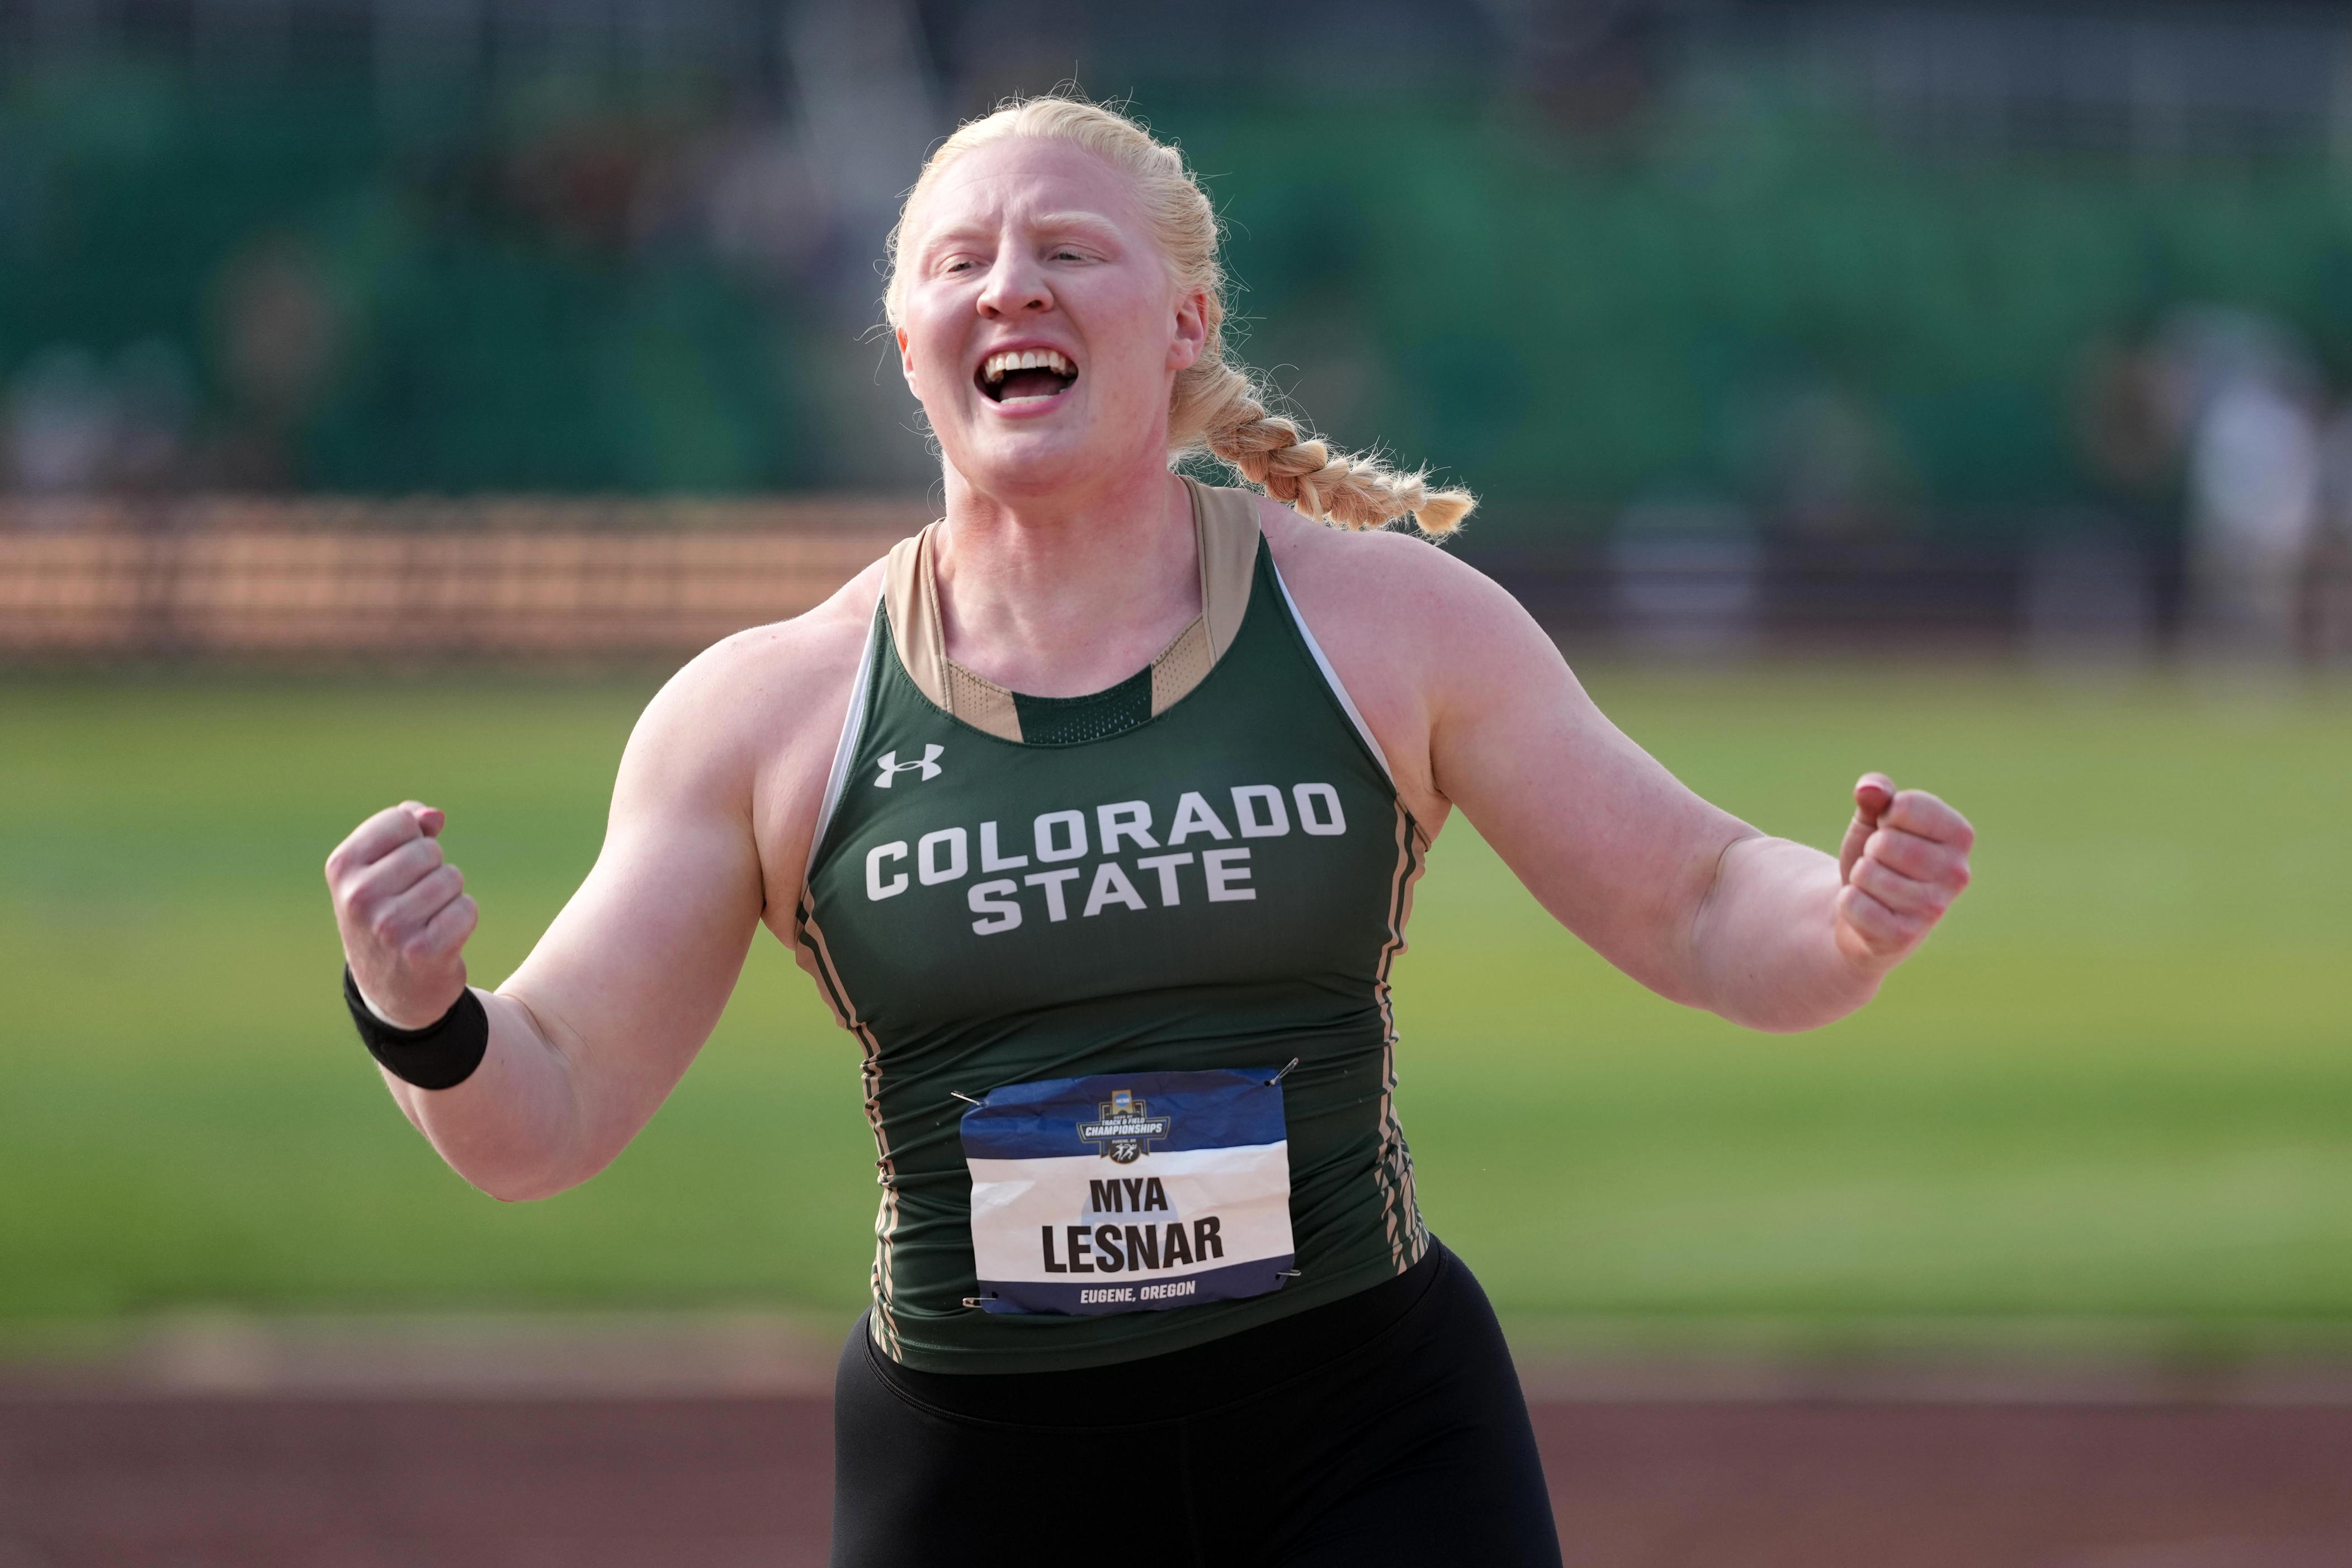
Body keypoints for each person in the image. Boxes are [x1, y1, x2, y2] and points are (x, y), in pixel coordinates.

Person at [324, 95, 1974, 1567]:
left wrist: (1838, 915)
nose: (1009, 287)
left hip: (1365, 1431)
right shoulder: (765, 714)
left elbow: (1695, 901)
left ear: (1186, 318)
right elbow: (546, 1110)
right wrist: (417, 1007)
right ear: (905, 339)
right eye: (958, 260)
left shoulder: (1387, 623)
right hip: (981, 1462)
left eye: (1067, 250)